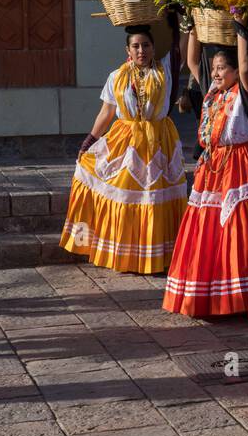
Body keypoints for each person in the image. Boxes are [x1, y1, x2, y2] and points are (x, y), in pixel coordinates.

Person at [163, 26, 248, 317]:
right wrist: (191, 25)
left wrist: (242, 24)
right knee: (210, 228)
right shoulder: (213, 93)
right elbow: (192, 61)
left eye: (222, 68)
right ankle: (210, 294)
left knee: (240, 228)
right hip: (214, 165)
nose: (216, 73)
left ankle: (243, 296)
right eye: (213, 68)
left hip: (243, 164)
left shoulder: (246, 90)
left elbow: (244, 65)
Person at [61, 23, 187, 273]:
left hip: (159, 141)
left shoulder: (166, 70)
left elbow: (183, 46)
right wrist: (89, 141)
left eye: (146, 45)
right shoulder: (116, 77)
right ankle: (124, 255)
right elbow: (106, 113)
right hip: (125, 141)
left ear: (153, 48)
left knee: (152, 199)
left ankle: (157, 257)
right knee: (122, 195)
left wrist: (183, 18)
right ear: (127, 50)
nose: (141, 50)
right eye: (136, 46)